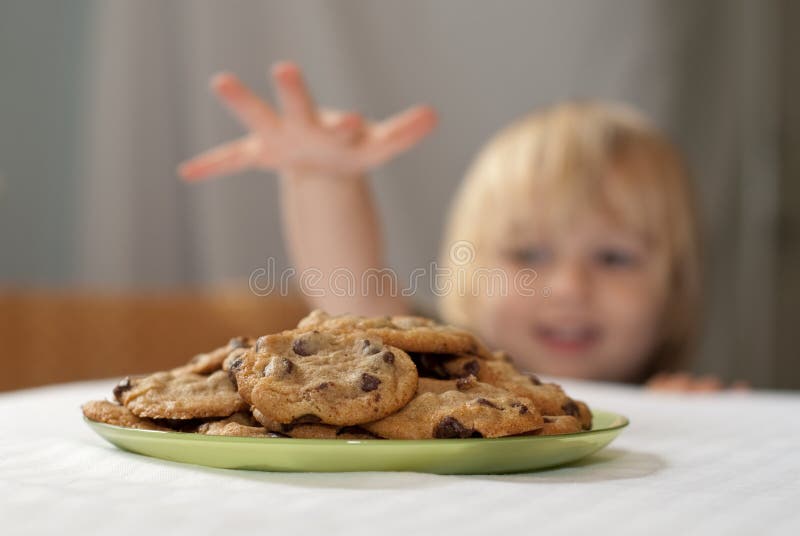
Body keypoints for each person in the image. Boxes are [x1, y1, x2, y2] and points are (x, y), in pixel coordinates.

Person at [179, 62, 739, 391]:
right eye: (529, 254)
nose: (569, 287)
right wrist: (323, 177)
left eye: (614, 258)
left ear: (675, 284)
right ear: (470, 276)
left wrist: (698, 428)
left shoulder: (675, 406)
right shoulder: (431, 375)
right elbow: (351, 293)